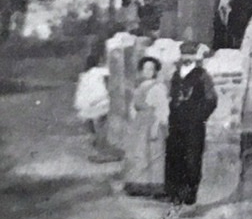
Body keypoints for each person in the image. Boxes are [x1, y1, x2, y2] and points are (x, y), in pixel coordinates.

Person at [164, 42, 218, 205]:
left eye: (189, 56)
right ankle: (174, 192)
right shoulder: (175, 75)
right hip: (175, 123)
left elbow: (211, 100)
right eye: (184, 56)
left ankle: (190, 192)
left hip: (194, 125)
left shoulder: (202, 76)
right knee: (174, 156)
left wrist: (199, 116)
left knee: (192, 158)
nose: (186, 59)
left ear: (195, 57)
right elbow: (170, 97)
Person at [123, 56, 168, 197]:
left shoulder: (158, 87)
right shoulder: (140, 87)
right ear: (141, 70)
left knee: (153, 154)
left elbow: (162, 109)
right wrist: (133, 120)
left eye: (151, 69)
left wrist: (156, 126)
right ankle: (138, 185)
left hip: (152, 122)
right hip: (140, 124)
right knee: (139, 153)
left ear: (155, 71)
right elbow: (133, 107)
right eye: (145, 68)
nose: (148, 71)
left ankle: (154, 187)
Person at [73, 48, 119, 163]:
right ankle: (103, 153)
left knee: (94, 130)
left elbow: (80, 92)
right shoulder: (99, 71)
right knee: (101, 130)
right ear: (98, 61)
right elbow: (111, 71)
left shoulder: (84, 75)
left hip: (87, 106)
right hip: (100, 103)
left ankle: (99, 151)